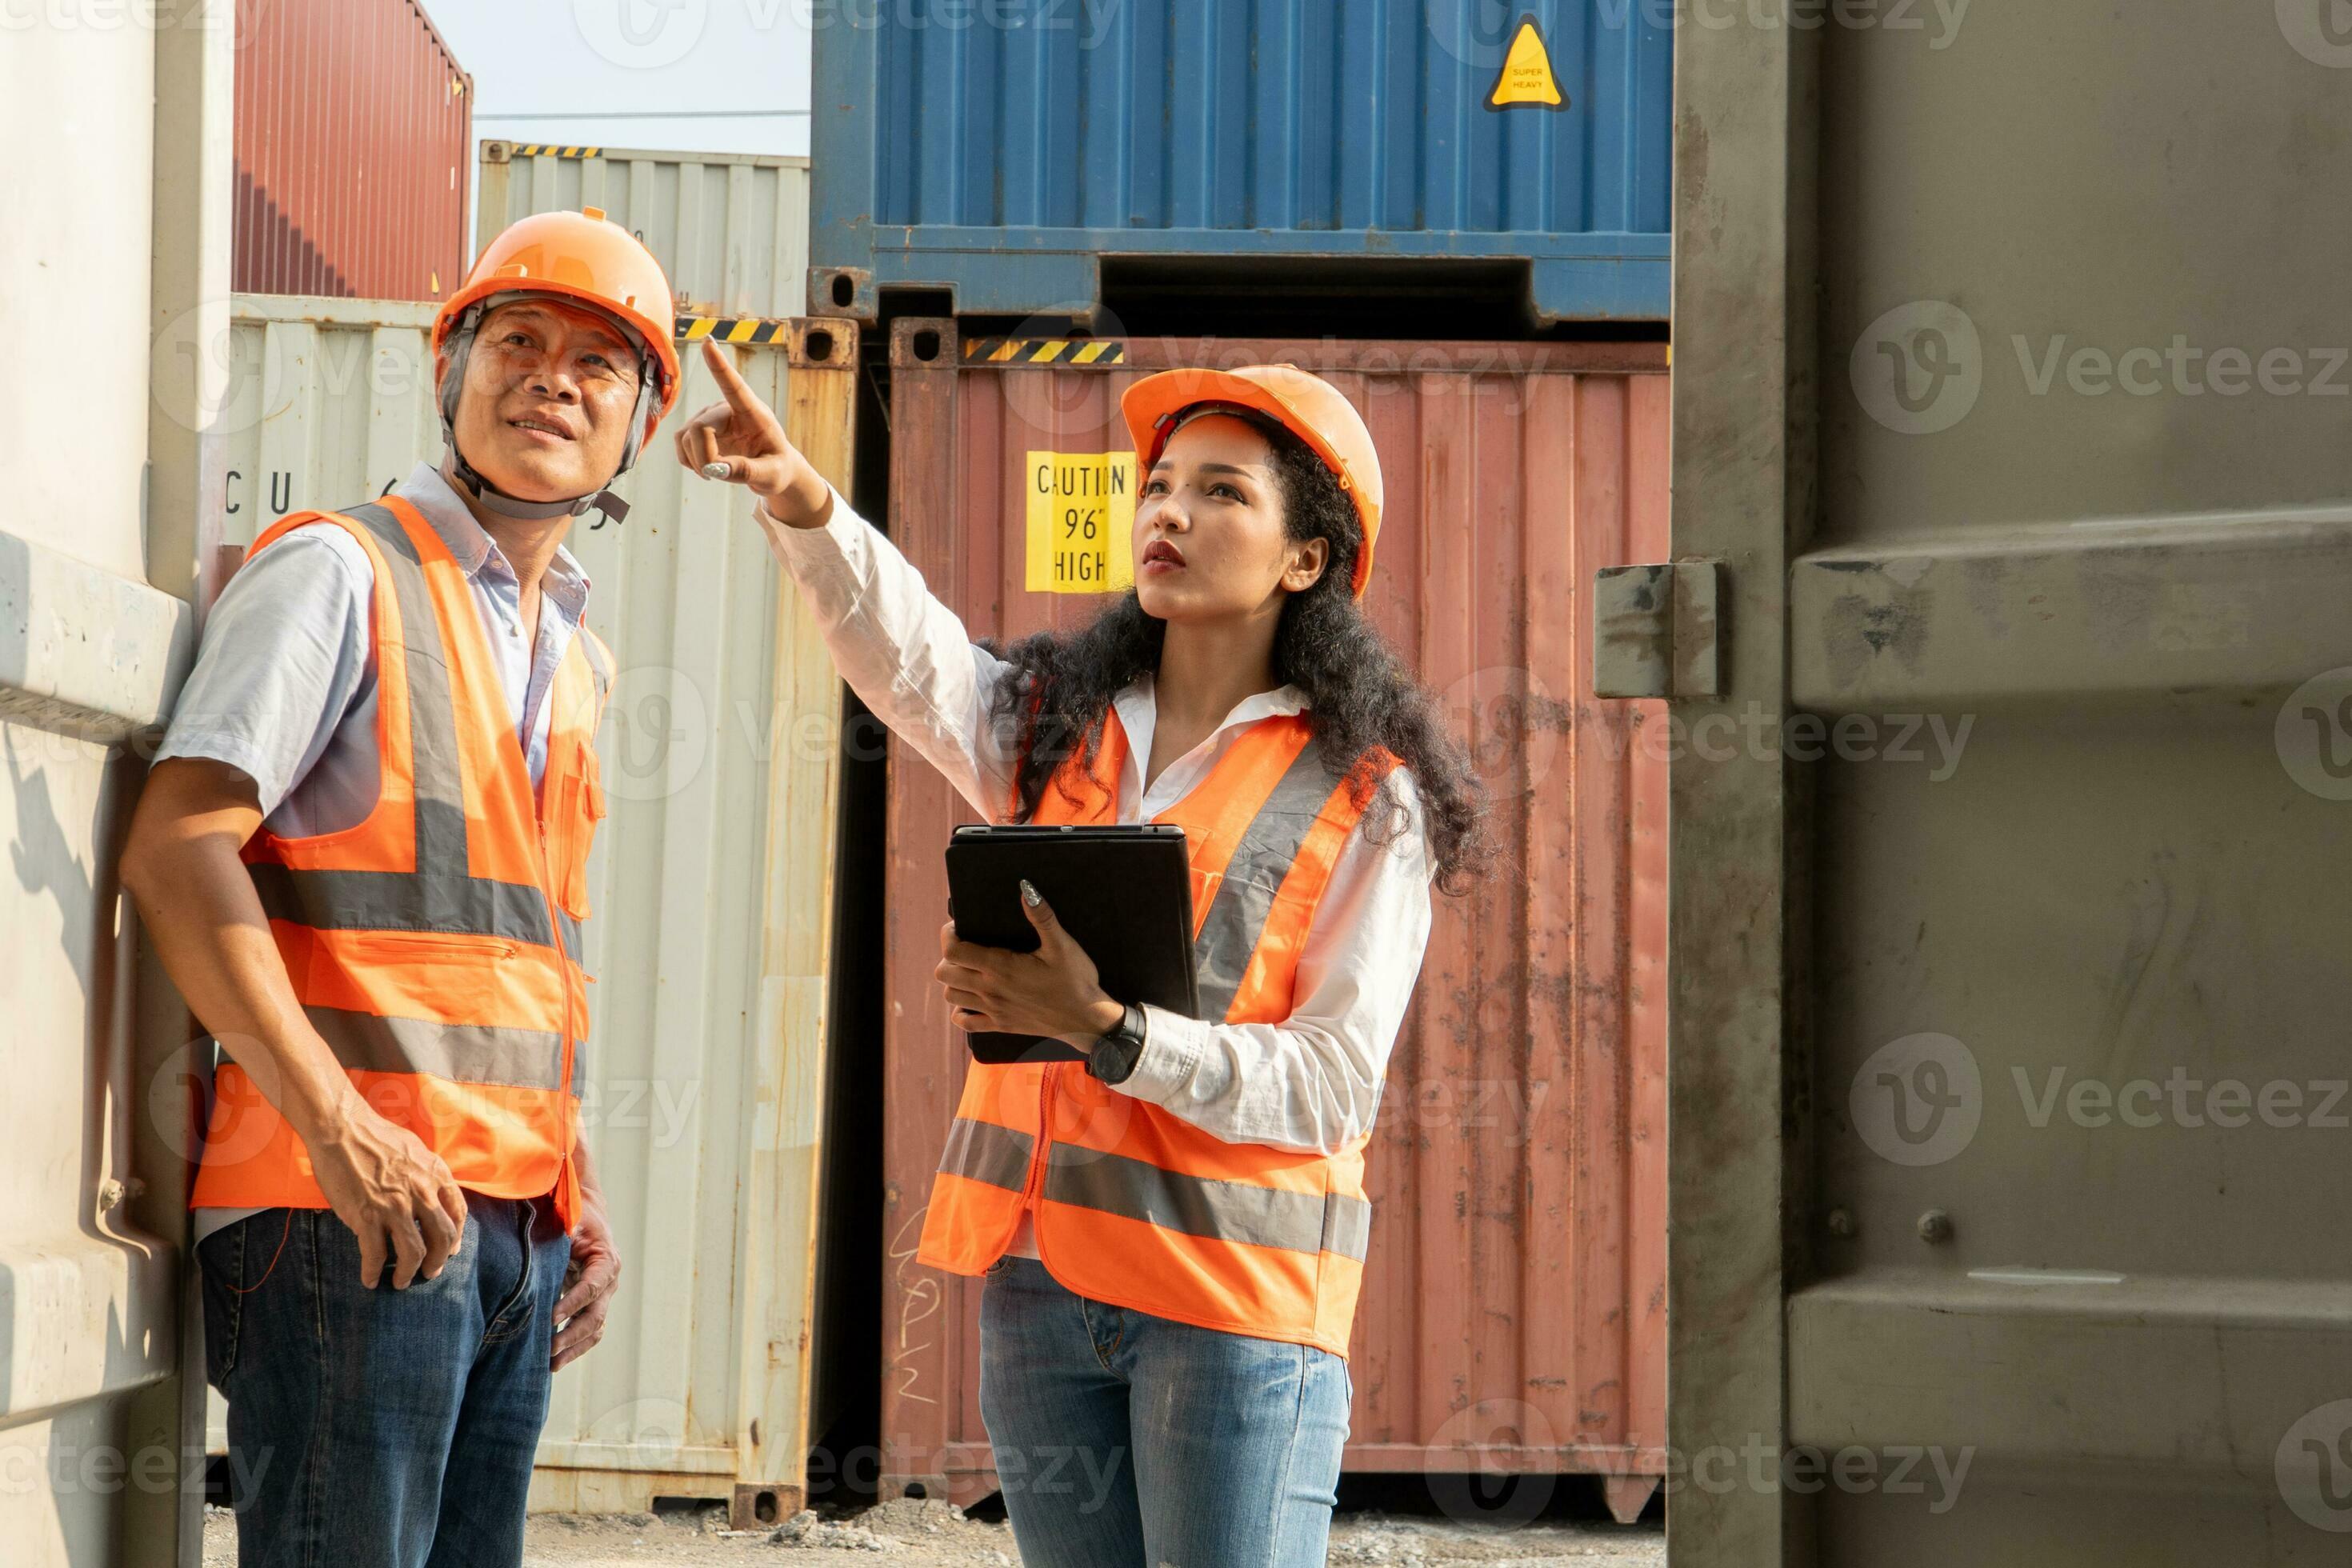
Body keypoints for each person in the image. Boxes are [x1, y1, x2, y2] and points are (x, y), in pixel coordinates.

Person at [677, 341, 1490, 1566]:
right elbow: (913, 663)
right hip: (1042, 1293)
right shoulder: (1061, 732)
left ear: (1307, 559)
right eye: (1161, 483)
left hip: (1232, 1317)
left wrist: (1111, 1031)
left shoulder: (1371, 800)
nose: (1171, 509)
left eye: (1225, 491)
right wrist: (801, 497)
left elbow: (1331, 1085)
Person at [122, 209, 678, 1566]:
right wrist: (339, 1129)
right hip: (339, 1209)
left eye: (600, 363)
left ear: (638, 432)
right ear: (454, 374)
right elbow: (178, 846)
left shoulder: (576, 659)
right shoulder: (336, 569)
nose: (554, 375)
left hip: (506, 1232)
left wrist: (572, 1181)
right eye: (521, 340)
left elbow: (510, 950)